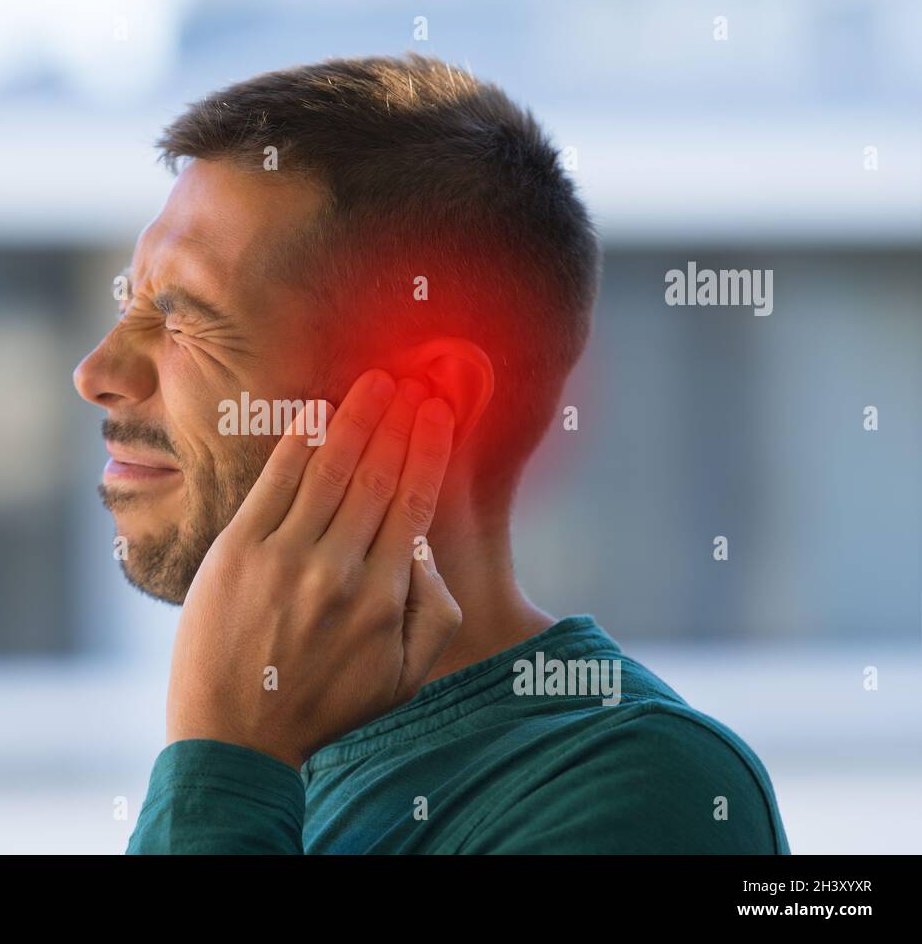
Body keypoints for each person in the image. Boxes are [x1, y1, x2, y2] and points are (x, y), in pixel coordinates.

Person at [73, 53, 789, 854]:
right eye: (129, 303)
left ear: (431, 397)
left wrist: (221, 773)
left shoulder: (641, 788)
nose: (97, 373)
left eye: (184, 319)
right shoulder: (277, 746)